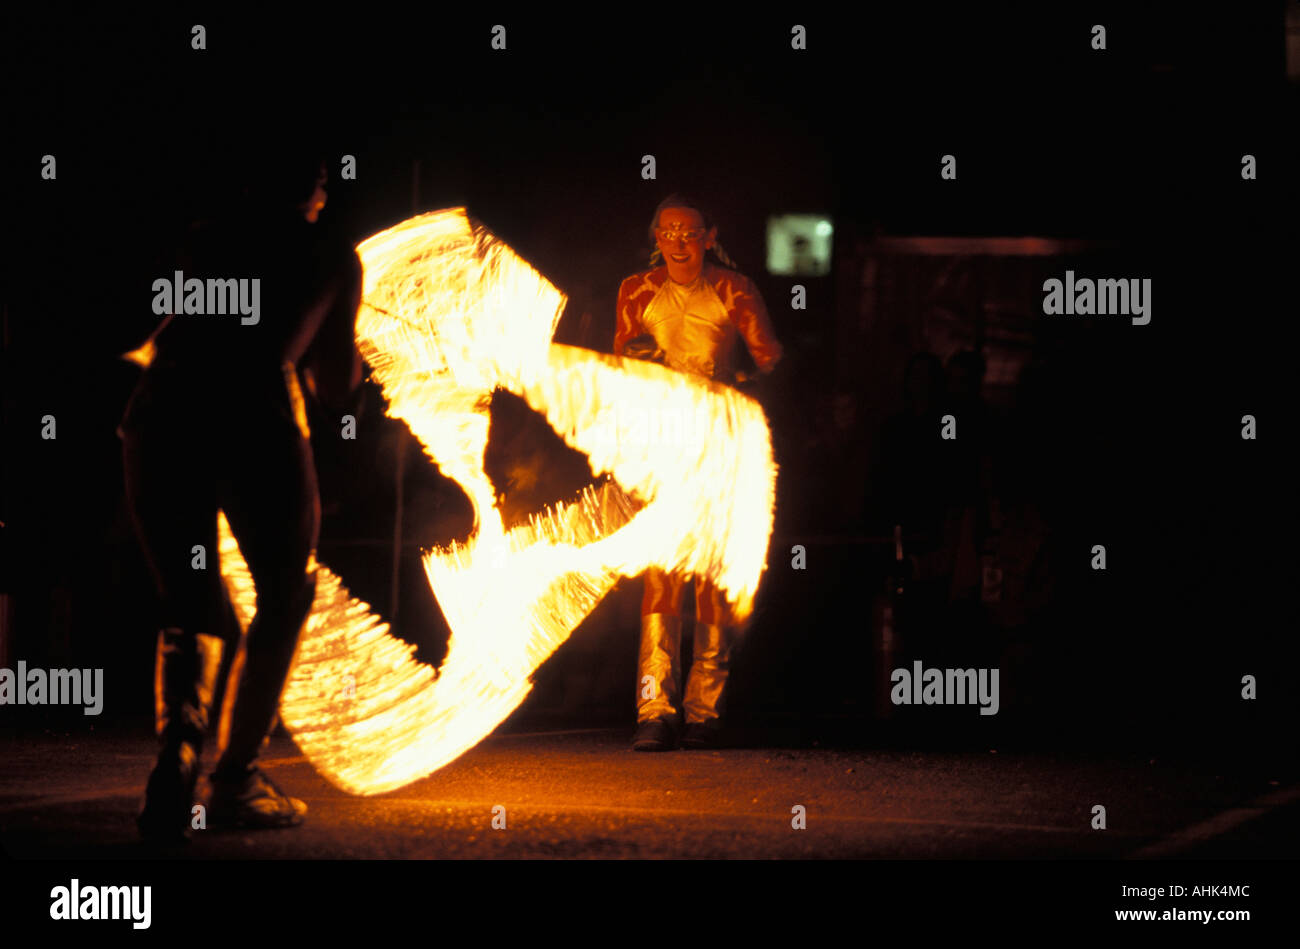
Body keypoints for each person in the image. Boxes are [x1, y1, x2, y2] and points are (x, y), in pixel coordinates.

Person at [122, 147, 363, 838]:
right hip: (253, 419)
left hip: (162, 410)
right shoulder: (330, 255)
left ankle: (176, 763)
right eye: (317, 171)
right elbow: (336, 384)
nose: (324, 181)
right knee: (286, 590)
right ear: (304, 184)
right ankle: (234, 782)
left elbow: (147, 330)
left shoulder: (204, 237)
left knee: (189, 602)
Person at [613, 194, 783, 751]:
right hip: (661, 450)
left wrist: (737, 390)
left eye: (689, 232)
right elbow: (618, 366)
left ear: (710, 236)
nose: (678, 242)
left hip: (719, 446)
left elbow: (773, 363)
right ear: (655, 236)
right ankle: (654, 710)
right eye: (668, 231)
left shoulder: (735, 289)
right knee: (661, 576)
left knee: (710, 579)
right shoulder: (636, 289)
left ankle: (704, 711)